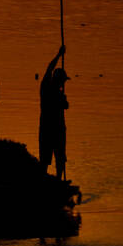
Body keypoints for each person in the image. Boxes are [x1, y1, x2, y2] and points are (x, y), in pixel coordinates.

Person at [39, 44, 69, 179]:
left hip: (57, 129)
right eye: (63, 81)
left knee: (59, 156)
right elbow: (49, 68)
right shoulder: (46, 87)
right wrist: (58, 55)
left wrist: (62, 97)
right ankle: (47, 179)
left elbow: (66, 106)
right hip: (49, 128)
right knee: (46, 157)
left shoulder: (58, 92)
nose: (64, 84)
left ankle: (58, 179)